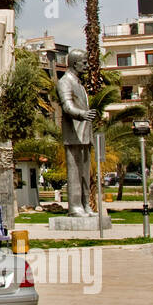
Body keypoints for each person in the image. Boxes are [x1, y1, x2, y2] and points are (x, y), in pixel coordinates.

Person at [56, 51, 100, 217]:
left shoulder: (79, 84)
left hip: (85, 135)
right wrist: (82, 114)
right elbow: (67, 107)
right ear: (74, 63)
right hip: (73, 135)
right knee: (74, 173)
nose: (87, 66)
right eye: (84, 63)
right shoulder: (64, 82)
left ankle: (85, 205)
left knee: (84, 174)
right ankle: (75, 207)